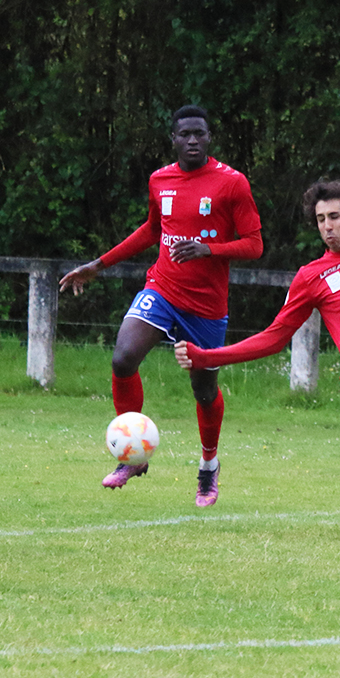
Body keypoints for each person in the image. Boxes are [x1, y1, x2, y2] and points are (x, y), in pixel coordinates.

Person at [174, 180, 340, 545]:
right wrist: (208, 357)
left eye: (334, 217)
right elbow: (274, 338)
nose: (327, 226)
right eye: (320, 220)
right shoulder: (311, 276)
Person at [59, 105, 263, 507]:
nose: (192, 140)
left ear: (209, 138)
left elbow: (255, 245)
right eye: (184, 134)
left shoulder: (232, 183)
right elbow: (153, 230)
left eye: (199, 134)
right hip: (162, 290)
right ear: (173, 139)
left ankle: (208, 467)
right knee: (123, 358)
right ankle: (133, 457)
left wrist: (209, 249)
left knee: (204, 392)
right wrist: (99, 264)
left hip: (206, 306)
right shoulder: (161, 180)